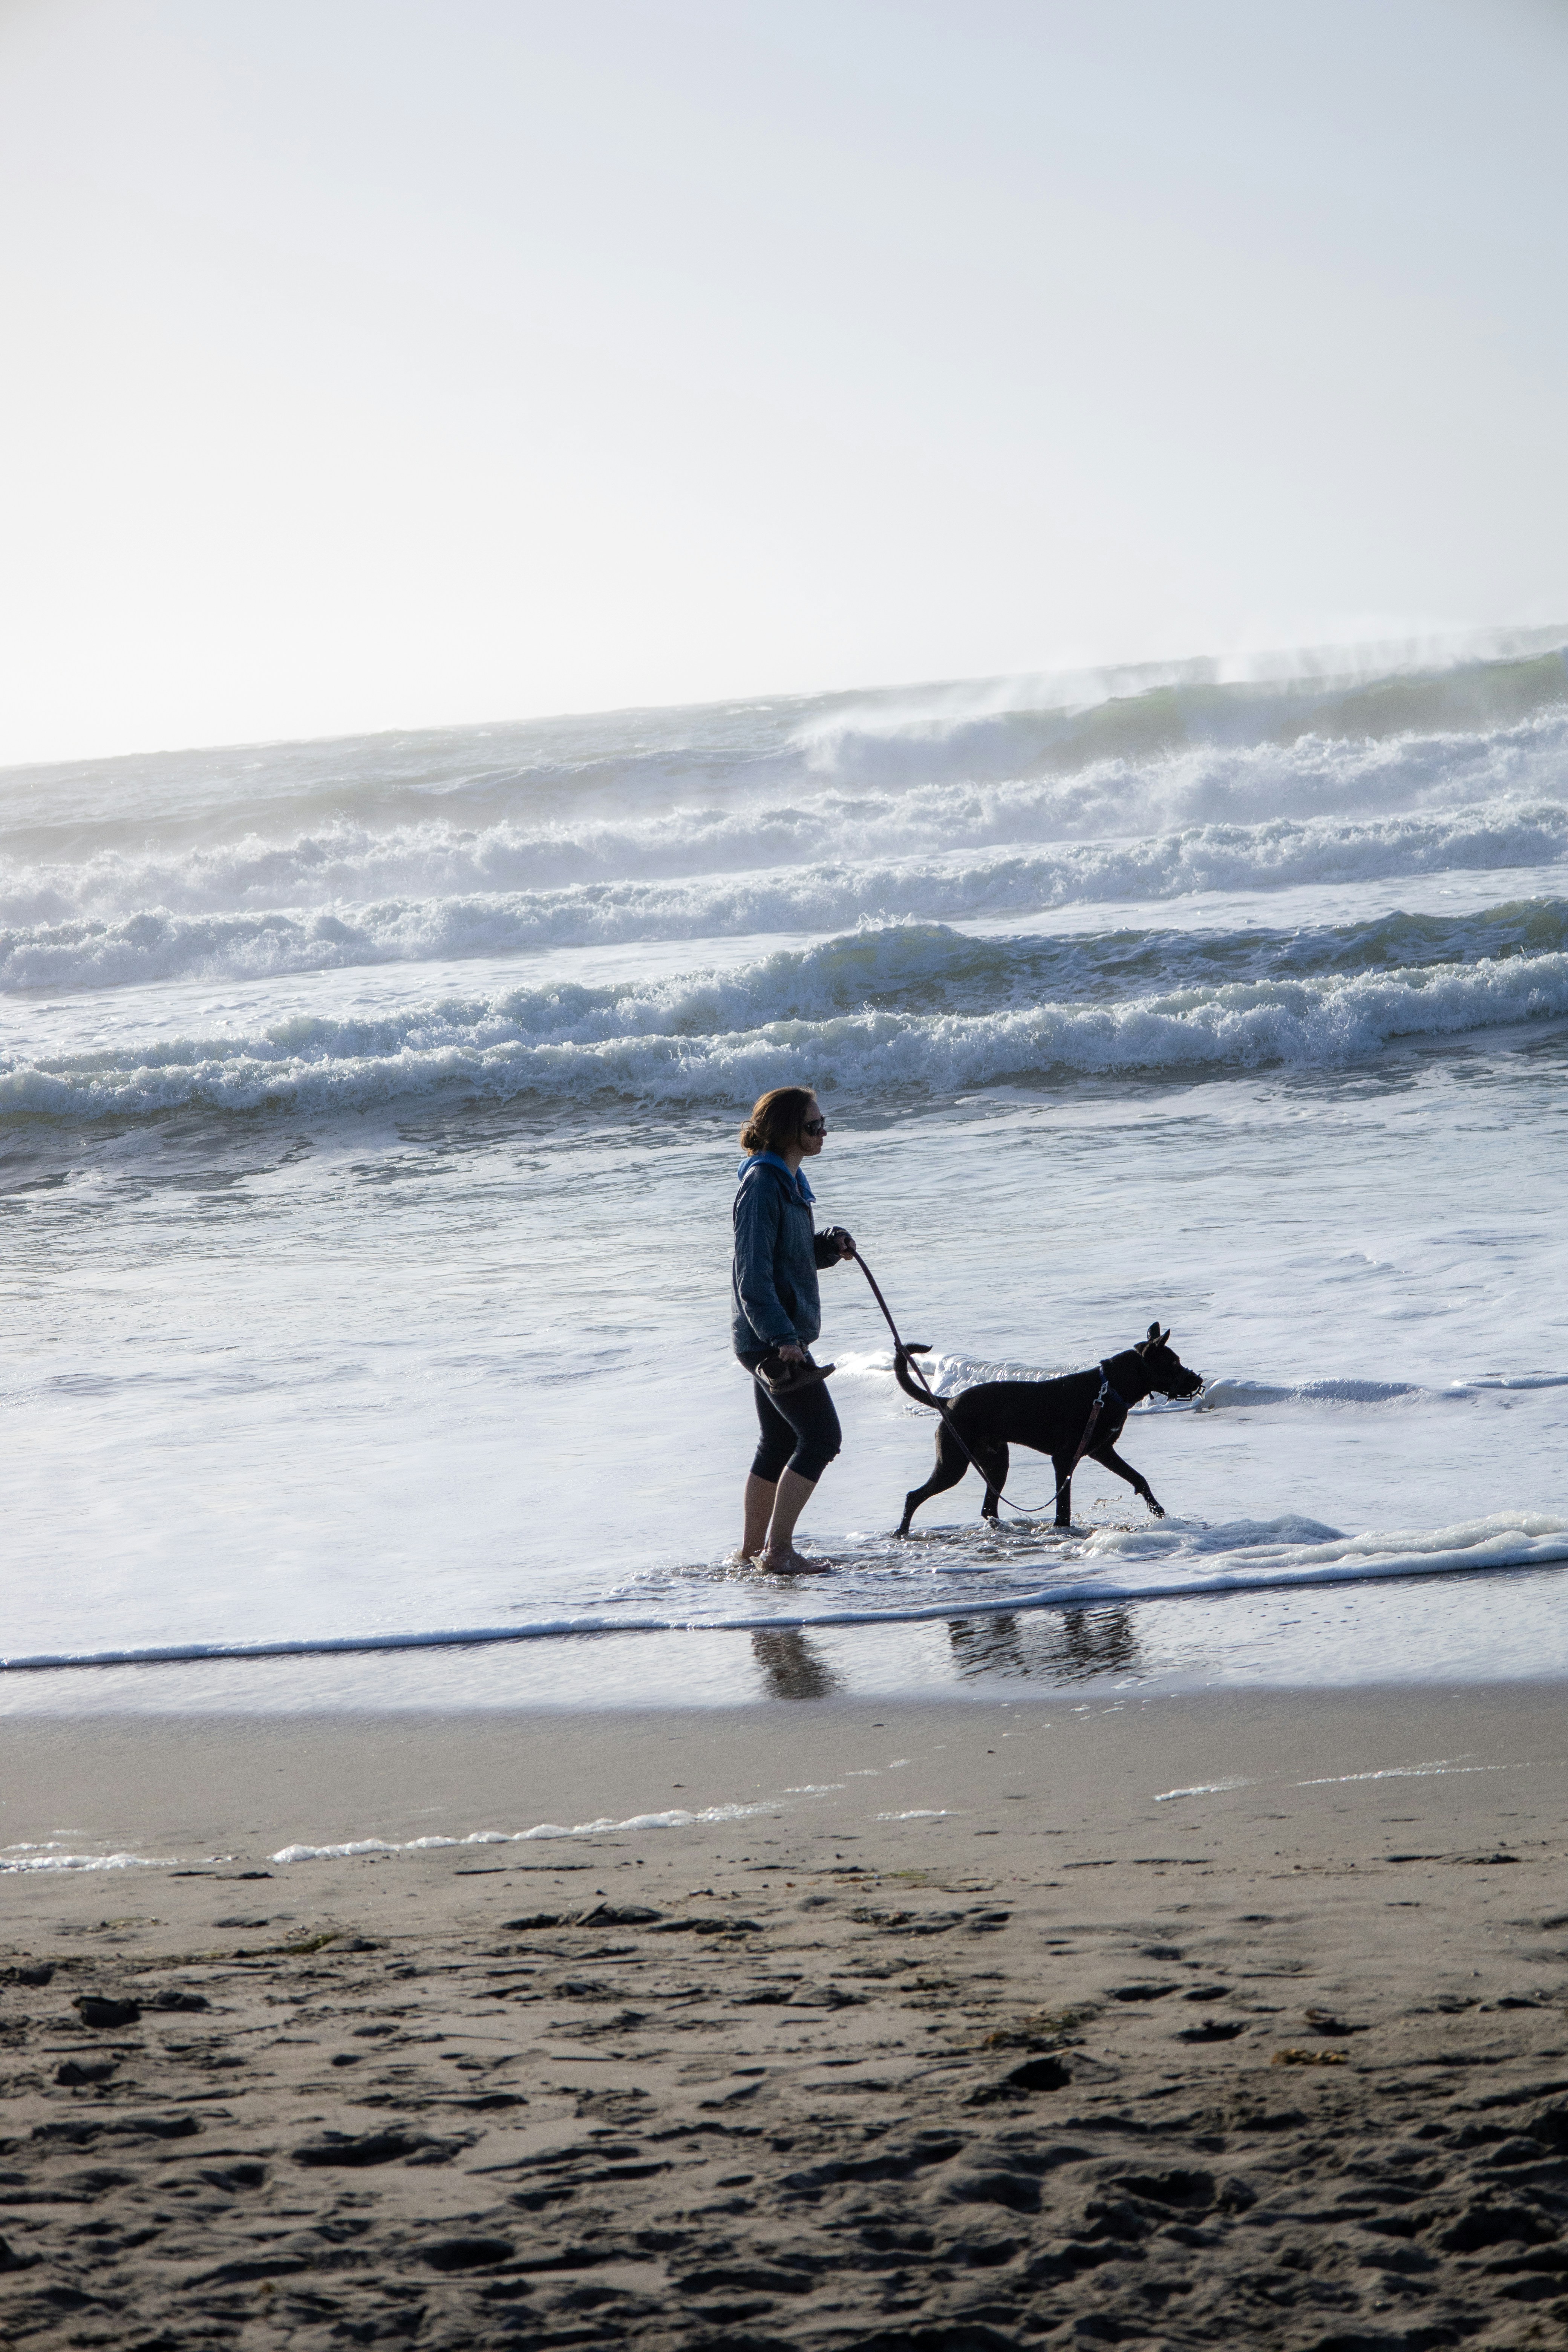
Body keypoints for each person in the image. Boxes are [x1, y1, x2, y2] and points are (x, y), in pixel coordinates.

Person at [731, 1084, 854, 1573]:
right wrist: (783, 1339)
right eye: (813, 1125)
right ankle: (778, 1552)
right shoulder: (763, 1184)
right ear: (787, 1130)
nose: (823, 1132)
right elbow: (752, 1275)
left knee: (779, 1443)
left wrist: (829, 1245)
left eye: (823, 1123)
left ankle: (750, 1553)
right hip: (770, 1340)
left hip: (774, 1335)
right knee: (822, 1438)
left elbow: (790, 1258)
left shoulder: (789, 1183)